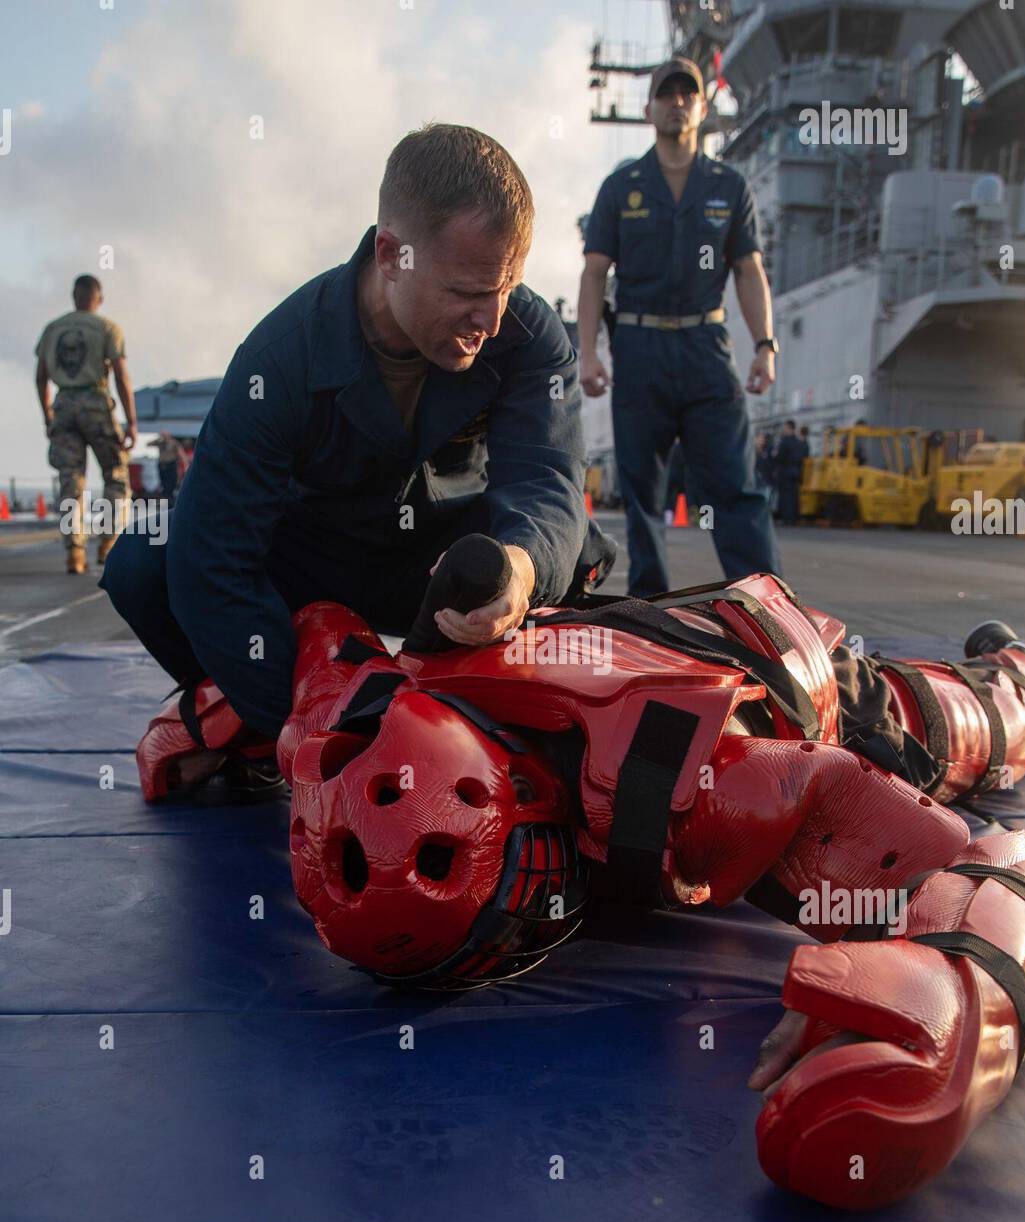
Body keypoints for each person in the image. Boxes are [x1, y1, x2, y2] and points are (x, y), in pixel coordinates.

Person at [164, 541, 1025, 1210]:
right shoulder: (366, 702)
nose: (529, 922)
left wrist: (963, 1005)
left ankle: (1015, 669)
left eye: (514, 898)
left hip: (793, 673)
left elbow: (999, 865)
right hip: (645, 627)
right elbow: (322, 643)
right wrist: (205, 721)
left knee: (969, 728)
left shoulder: (705, 783)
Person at [103, 123, 616, 778]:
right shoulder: (278, 360)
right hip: (311, 572)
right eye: (465, 292)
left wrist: (519, 571)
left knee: (565, 550)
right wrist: (318, 734)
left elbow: (546, 481)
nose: (490, 320)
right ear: (389, 254)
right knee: (147, 565)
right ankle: (265, 727)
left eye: (507, 285)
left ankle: (500, 724)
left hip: (440, 573)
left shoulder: (525, 334)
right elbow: (214, 559)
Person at [578, 56, 781, 596]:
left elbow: (748, 269)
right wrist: (589, 353)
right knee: (644, 498)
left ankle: (768, 610)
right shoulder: (621, 188)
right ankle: (650, 616)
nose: (676, 102)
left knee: (737, 487)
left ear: (702, 106)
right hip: (639, 346)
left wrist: (764, 345)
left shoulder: (729, 187)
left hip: (705, 348)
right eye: (666, 95)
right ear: (649, 109)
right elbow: (595, 271)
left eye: (686, 94)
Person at [35, 274, 137, 574]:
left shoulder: (53, 329)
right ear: (99, 298)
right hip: (95, 403)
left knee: (71, 481)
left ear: (74, 296)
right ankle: (109, 543)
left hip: (64, 405)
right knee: (116, 475)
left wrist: (48, 416)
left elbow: (40, 377)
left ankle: (74, 553)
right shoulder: (107, 328)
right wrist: (131, 421)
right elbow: (121, 375)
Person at [774, 418, 807, 525]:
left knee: (785, 496)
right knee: (794, 495)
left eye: (784, 428)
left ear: (788, 428)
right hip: (796, 471)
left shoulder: (784, 442)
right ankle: (794, 518)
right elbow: (803, 457)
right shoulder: (799, 442)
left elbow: (780, 457)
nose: (783, 430)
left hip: (785, 471)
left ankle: (787, 518)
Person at [156, 432, 186, 504]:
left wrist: (185, 464)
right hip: (162, 466)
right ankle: (165, 500)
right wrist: (159, 439)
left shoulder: (174, 443)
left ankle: (170, 501)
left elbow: (181, 454)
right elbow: (148, 444)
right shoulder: (160, 443)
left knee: (171, 483)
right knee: (164, 484)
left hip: (171, 466)